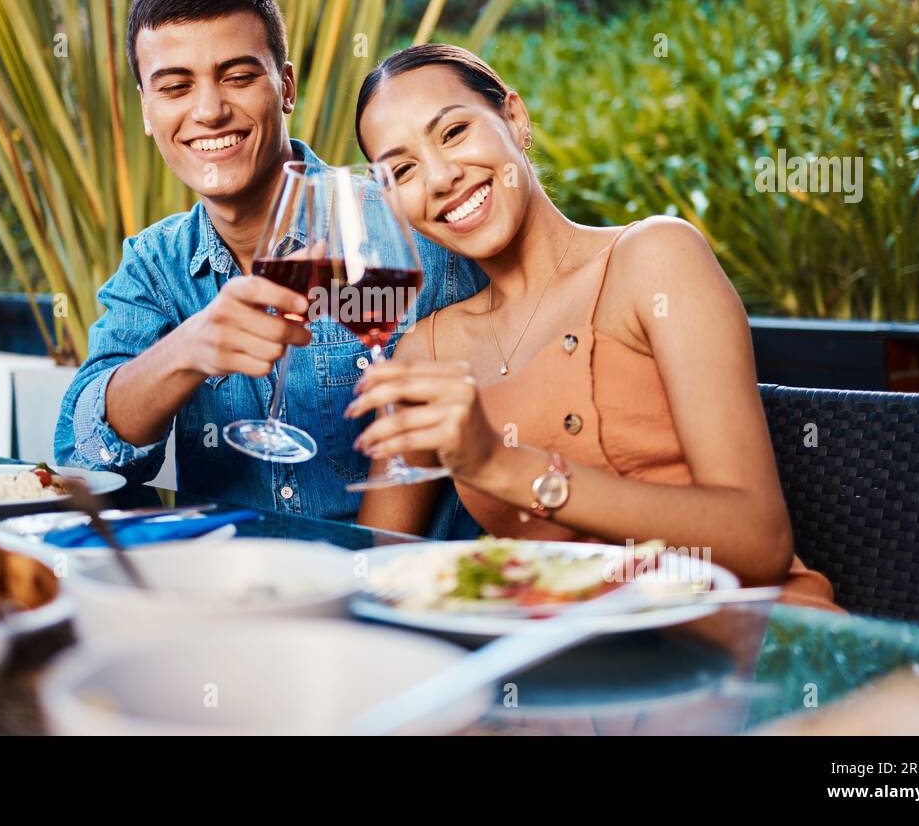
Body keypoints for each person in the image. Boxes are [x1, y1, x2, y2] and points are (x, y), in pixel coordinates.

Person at [349, 43, 838, 608]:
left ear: (515, 118)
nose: (439, 177)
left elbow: (760, 542)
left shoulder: (655, 258)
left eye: (454, 132)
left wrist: (502, 466)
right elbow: (373, 573)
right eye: (402, 170)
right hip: (560, 650)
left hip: (742, 632)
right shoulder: (427, 353)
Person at [53, 0, 484, 529]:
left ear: (286, 87)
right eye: (176, 87)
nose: (209, 110)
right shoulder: (155, 265)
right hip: (230, 574)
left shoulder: (409, 222)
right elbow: (81, 455)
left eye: (237, 76)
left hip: (397, 575)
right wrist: (187, 351)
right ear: (147, 111)